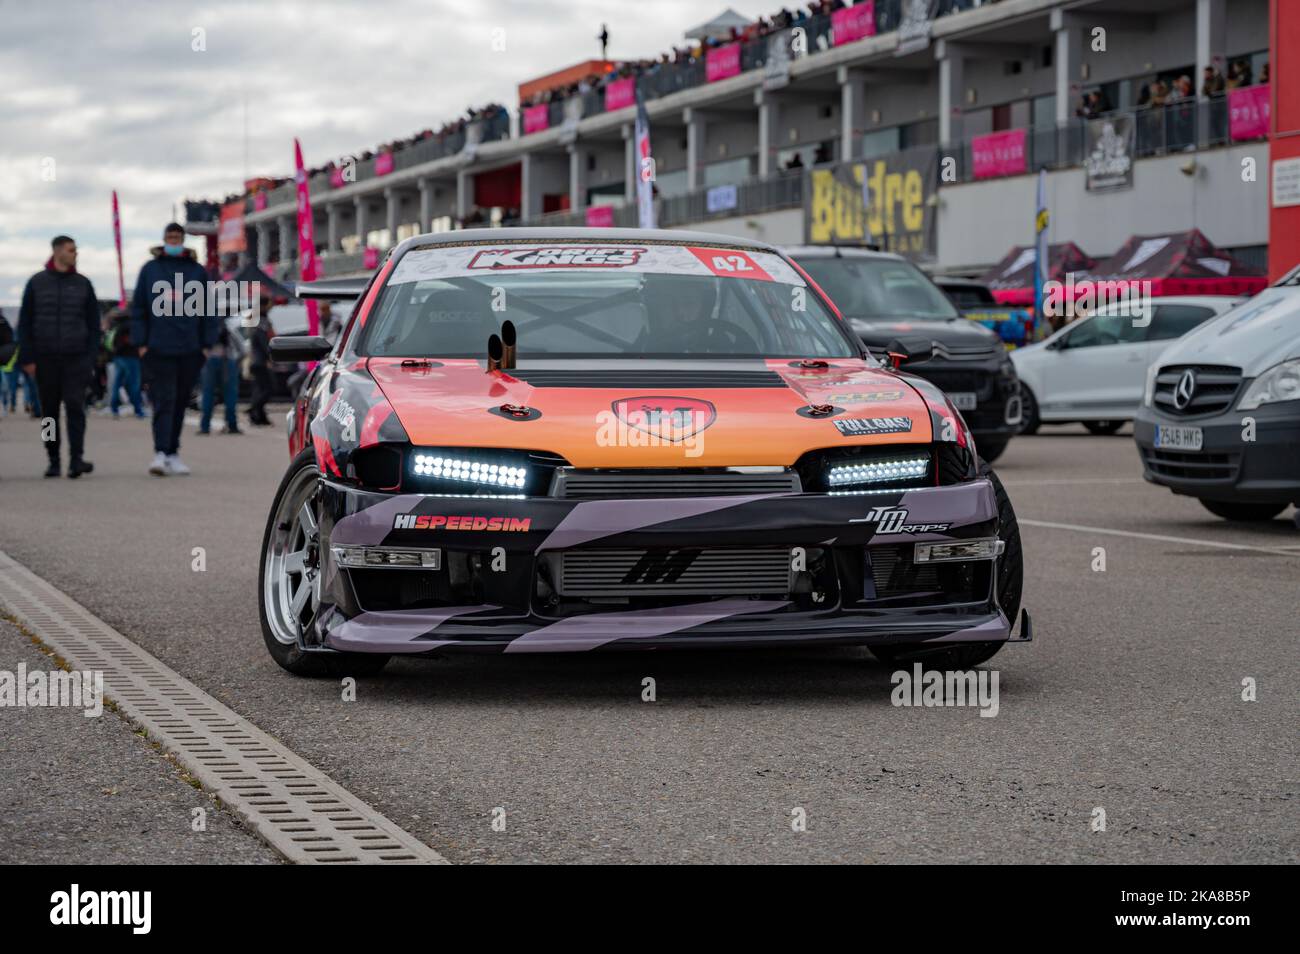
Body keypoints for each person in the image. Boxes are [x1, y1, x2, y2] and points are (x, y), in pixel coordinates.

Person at [130, 223, 219, 476]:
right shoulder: (150, 270)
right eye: (170, 237)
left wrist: (206, 344)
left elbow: (207, 308)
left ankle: (173, 453)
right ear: (163, 239)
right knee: (163, 400)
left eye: (177, 237)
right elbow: (139, 308)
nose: (173, 240)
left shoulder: (196, 270)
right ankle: (160, 452)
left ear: (183, 240)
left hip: (190, 348)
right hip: (158, 347)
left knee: (180, 401)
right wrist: (142, 343)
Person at [16, 235, 99, 478]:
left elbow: (94, 325)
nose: (75, 254)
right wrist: (28, 358)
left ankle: (76, 459)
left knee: (75, 407)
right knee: (48, 413)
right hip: (45, 358)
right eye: (71, 250)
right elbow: (25, 323)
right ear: (57, 251)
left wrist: (90, 357)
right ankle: (52, 459)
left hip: (76, 358)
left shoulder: (83, 284)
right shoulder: (36, 283)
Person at [198, 317, 243, 434]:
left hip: (209, 360)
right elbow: (241, 348)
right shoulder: (229, 325)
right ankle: (232, 425)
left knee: (207, 393)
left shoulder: (205, 326)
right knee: (230, 394)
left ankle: (205, 426)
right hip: (228, 359)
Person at [104, 307, 146, 418]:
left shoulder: (117, 325)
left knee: (117, 383)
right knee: (134, 384)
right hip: (130, 357)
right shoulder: (132, 325)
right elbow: (132, 340)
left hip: (118, 357)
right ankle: (138, 410)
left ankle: (114, 408)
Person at [246, 291, 275, 427]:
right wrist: (269, 358)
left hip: (255, 360)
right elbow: (264, 342)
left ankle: (258, 415)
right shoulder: (261, 321)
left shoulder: (256, 319)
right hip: (260, 361)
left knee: (259, 388)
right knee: (268, 388)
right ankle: (254, 409)